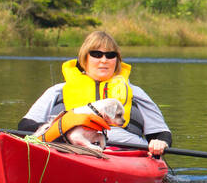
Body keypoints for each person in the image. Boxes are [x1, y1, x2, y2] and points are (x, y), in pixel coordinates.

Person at [18, 30, 172, 156]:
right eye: (96, 54)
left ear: (117, 61)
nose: (104, 60)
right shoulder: (57, 91)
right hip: (68, 150)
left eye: (110, 55)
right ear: (85, 58)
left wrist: (160, 143)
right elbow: (25, 126)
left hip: (125, 153)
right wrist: (59, 128)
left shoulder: (136, 93)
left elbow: (161, 133)